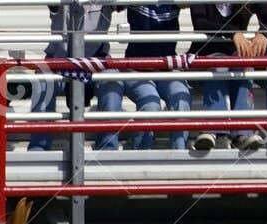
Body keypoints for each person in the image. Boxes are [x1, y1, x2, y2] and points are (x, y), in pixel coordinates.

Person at [189, 3, 267, 151]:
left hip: (234, 58)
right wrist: (233, 33)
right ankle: (215, 129)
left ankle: (242, 134)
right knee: (220, 64)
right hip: (204, 57)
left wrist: (263, 34)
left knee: (243, 64)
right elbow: (200, 23)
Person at [98, 3, 189, 150]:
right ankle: (140, 154)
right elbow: (117, 4)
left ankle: (179, 154)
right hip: (137, 68)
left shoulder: (173, 3)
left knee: (181, 98)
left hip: (167, 69)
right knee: (151, 105)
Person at [27, 2, 113, 152]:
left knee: (112, 83)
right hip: (60, 60)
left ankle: (108, 149)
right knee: (42, 81)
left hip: (95, 61)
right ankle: (38, 148)